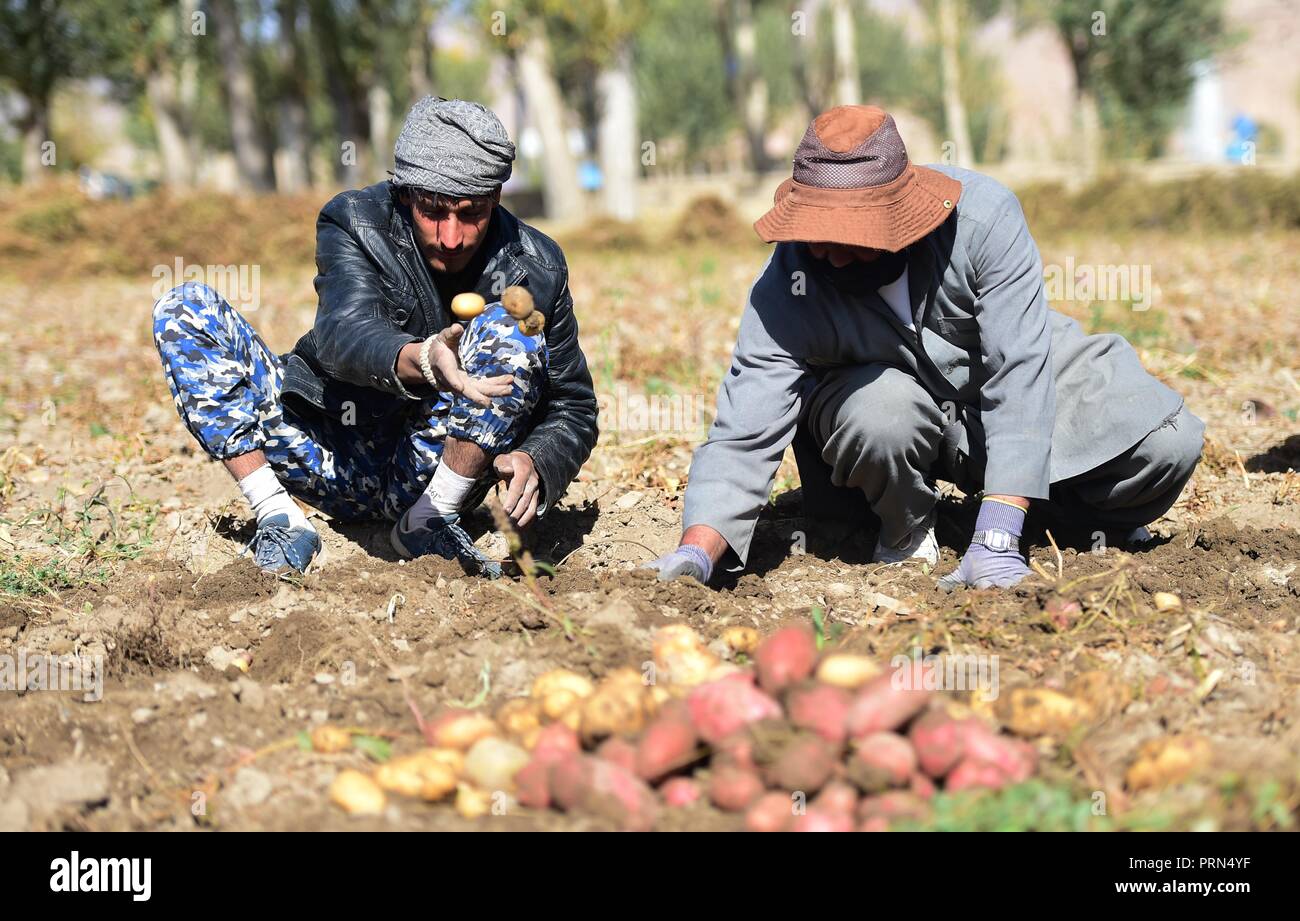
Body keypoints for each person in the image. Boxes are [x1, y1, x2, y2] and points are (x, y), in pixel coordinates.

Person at [648, 105, 1203, 590]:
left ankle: (1039, 516)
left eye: (856, 241)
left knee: (1165, 444)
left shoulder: (984, 220)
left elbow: (1019, 370)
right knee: (880, 411)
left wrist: (1000, 533)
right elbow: (745, 428)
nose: (836, 257)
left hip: (998, 394)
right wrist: (697, 551)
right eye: (823, 239)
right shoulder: (788, 283)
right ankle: (908, 525)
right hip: (891, 432)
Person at [153, 97, 598, 578]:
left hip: (431, 471)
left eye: (471, 214)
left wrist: (538, 459)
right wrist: (424, 359)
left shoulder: (537, 266)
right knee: (183, 310)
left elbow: (574, 406)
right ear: (405, 193)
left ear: (496, 198)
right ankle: (279, 518)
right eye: (433, 210)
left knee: (510, 321)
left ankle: (430, 522)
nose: (451, 237)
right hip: (325, 446)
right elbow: (343, 333)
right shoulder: (355, 221)